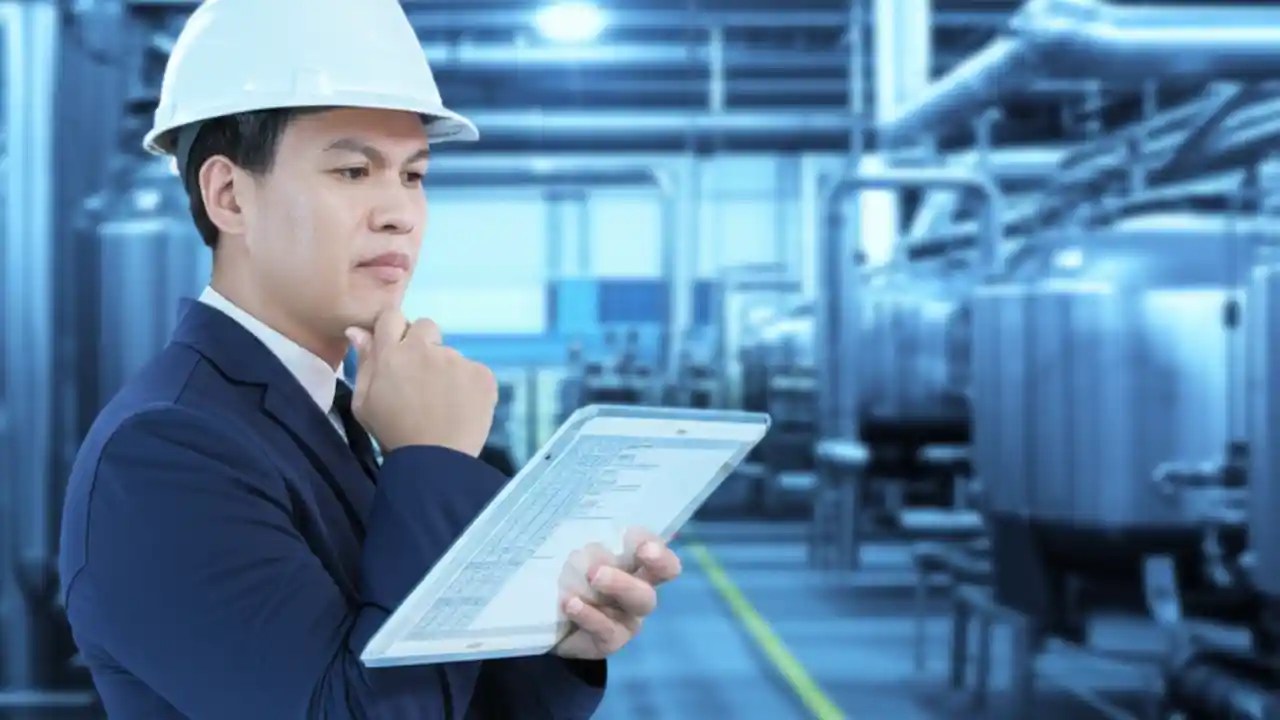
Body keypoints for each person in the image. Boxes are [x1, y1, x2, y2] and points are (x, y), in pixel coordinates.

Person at [56, 0, 683, 717]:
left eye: (413, 175)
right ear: (229, 195)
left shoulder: (327, 413)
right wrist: (431, 460)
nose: (399, 212)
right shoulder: (166, 453)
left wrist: (552, 641)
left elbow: (442, 692)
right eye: (354, 172)